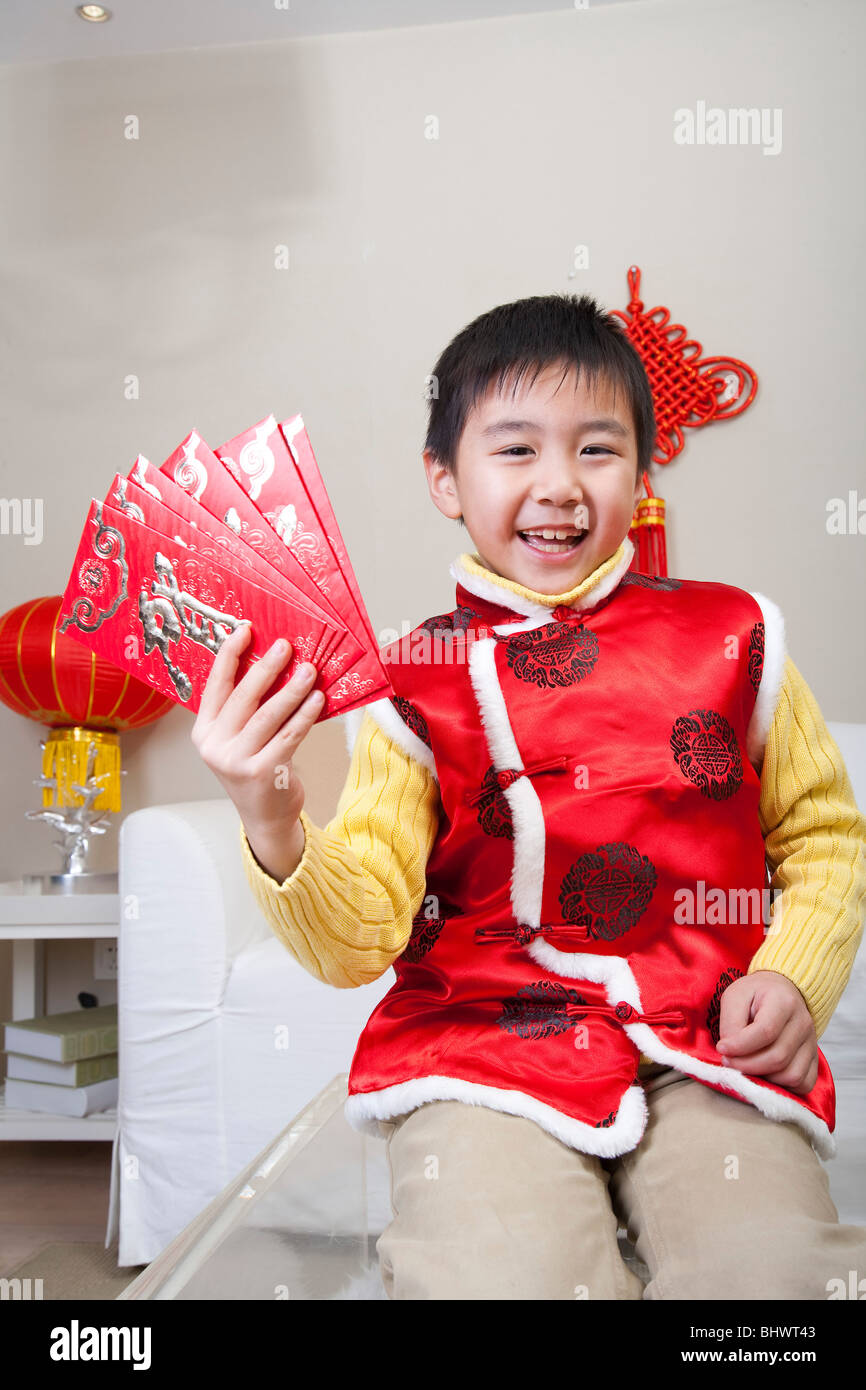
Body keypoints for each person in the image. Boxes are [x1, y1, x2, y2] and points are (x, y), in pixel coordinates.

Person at [191, 292, 866, 1300]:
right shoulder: (406, 682)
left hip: (703, 1043)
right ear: (443, 480)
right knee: (500, 1277)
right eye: (514, 451)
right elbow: (360, 935)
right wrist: (271, 813)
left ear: (640, 473)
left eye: (596, 449)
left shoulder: (738, 635)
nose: (557, 486)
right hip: (474, 1045)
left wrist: (795, 977)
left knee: (769, 1278)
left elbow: (821, 838)